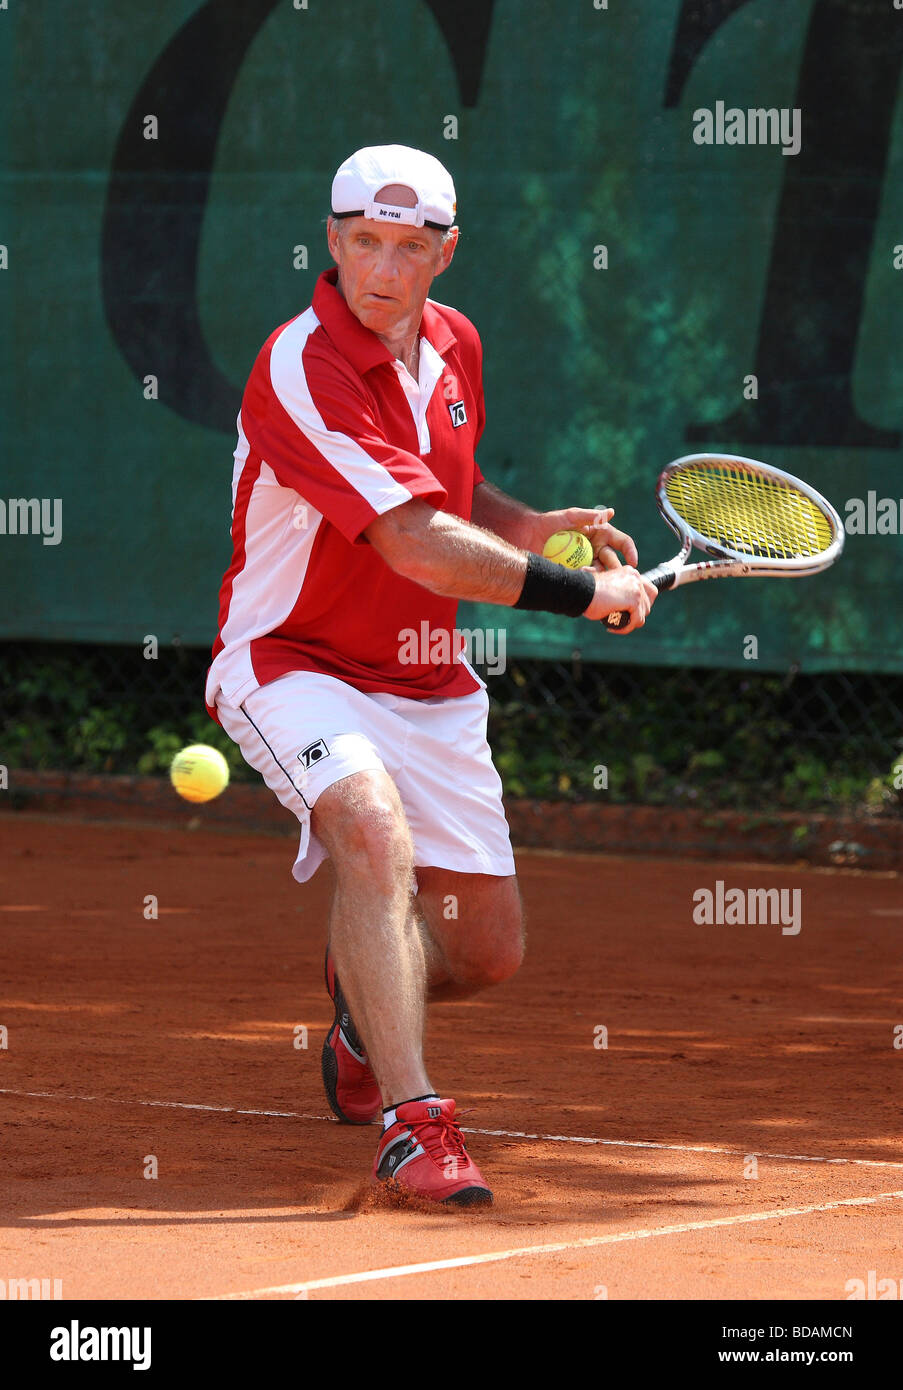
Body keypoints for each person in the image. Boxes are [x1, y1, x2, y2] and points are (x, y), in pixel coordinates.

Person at [206, 144, 656, 1207]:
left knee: (487, 952)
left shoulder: (453, 345)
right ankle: (414, 1125)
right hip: (292, 661)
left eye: (410, 248)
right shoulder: (299, 366)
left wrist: (526, 526)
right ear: (332, 239)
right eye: (364, 241)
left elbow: (450, 489)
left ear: (445, 255)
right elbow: (409, 538)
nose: (382, 270)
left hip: (429, 680)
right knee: (369, 830)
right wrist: (576, 591)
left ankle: (365, 1011)